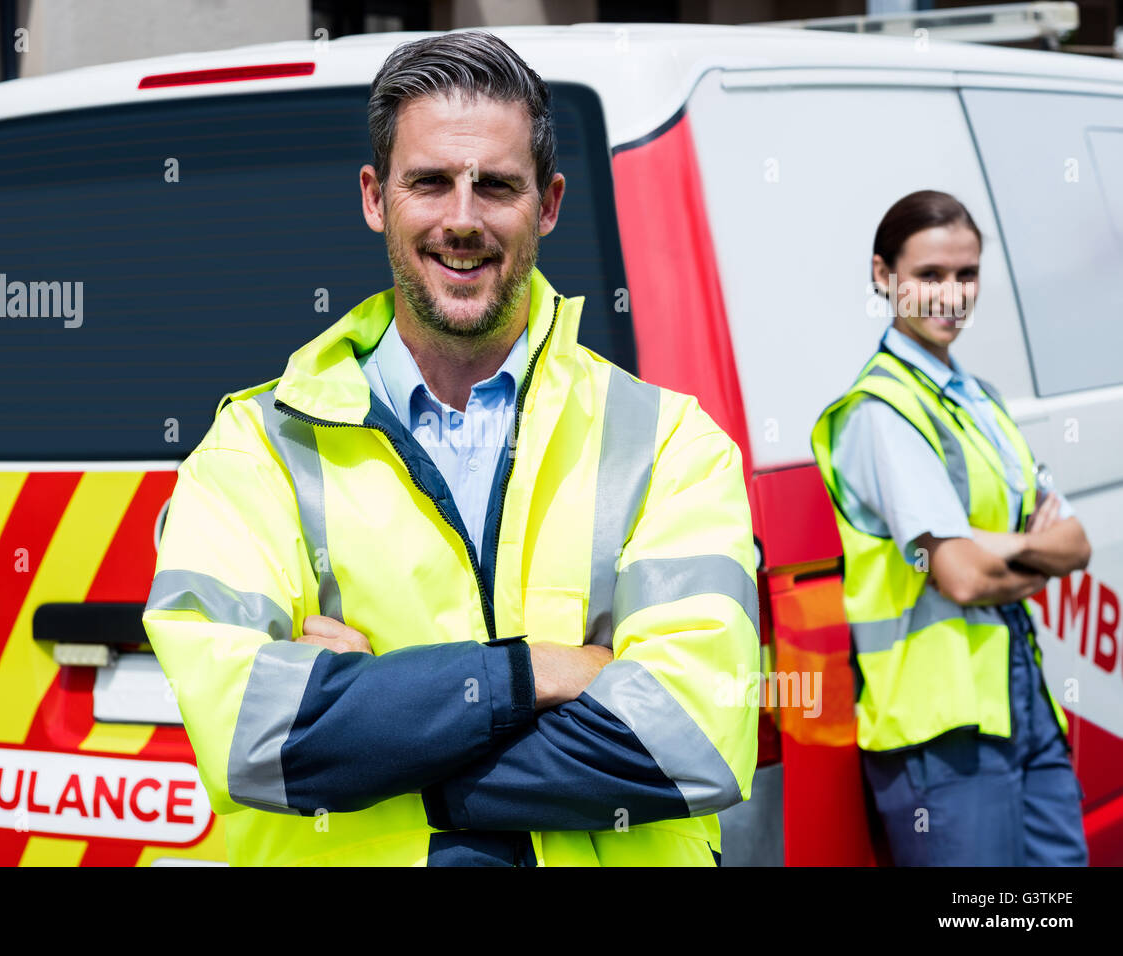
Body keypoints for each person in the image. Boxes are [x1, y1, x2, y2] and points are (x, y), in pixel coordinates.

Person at [141, 31, 759, 867]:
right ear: (374, 197)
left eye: (496, 186)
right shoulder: (254, 448)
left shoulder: (670, 442)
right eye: (428, 183)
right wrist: (539, 671)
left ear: (547, 205)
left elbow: (691, 737)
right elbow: (252, 737)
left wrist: (378, 728)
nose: (461, 220)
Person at [811, 189, 1092, 866]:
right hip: (940, 731)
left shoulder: (981, 399)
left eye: (966, 275)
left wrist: (1000, 546)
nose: (952, 295)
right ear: (884, 276)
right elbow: (962, 577)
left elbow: (1076, 544)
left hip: (1018, 699)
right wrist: (1024, 547)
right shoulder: (880, 410)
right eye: (930, 276)